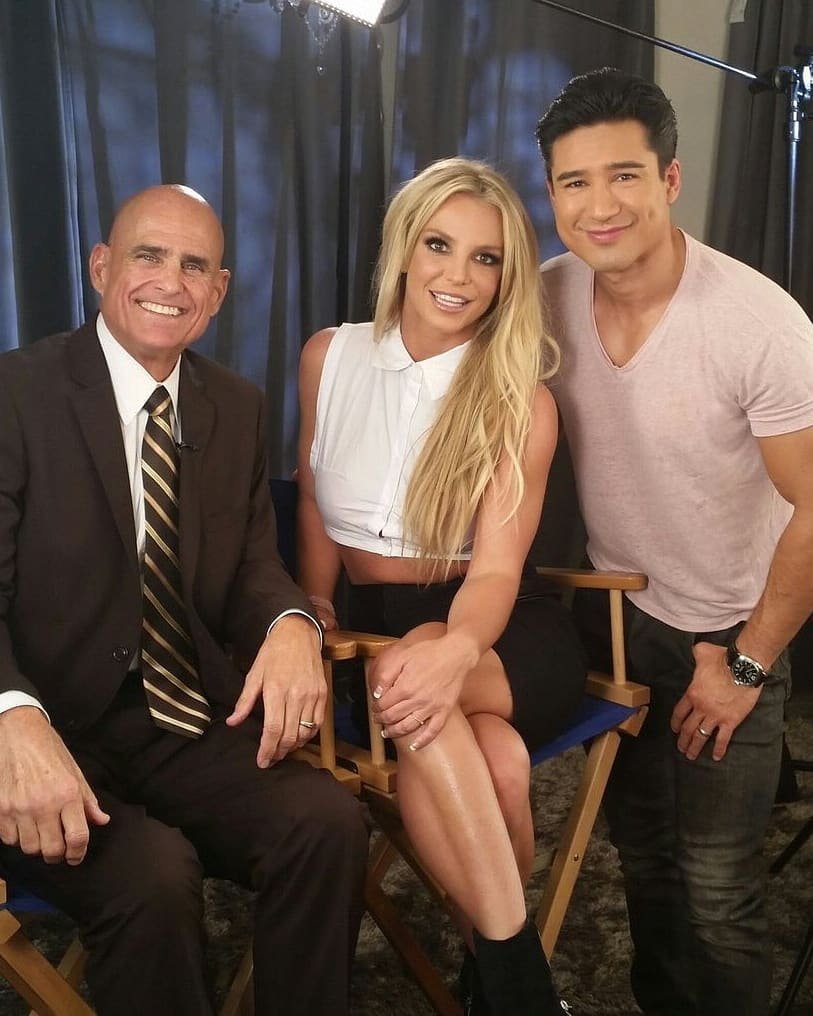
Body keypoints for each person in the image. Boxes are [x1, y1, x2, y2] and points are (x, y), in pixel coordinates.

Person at [0, 184, 369, 1016]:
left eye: (194, 265)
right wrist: (9, 717)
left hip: (177, 716)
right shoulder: (15, 394)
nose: (171, 281)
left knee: (325, 823)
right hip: (36, 730)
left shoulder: (233, 405)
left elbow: (250, 565)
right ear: (101, 267)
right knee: (154, 878)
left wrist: (291, 623)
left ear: (219, 290)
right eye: (149, 255)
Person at [536, 68, 813, 1016]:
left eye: (623, 175)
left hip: (731, 626)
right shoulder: (545, 297)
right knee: (643, 858)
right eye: (574, 182)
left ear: (669, 179)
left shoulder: (759, 326)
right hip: (616, 619)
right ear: (551, 195)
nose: (599, 206)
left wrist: (746, 663)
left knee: (717, 888)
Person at [297, 156, 586, 1015]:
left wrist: (456, 646)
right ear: (403, 245)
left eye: (485, 258)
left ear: (506, 278)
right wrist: (315, 605)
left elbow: (495, 570)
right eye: (439, 245)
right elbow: (310, 497)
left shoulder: (520, 401)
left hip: (498, 628)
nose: (458, 275)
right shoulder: (329, 357)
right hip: (368, 623)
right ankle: (506, 978)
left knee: (416, 665)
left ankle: (514, 985)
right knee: (497, 763)